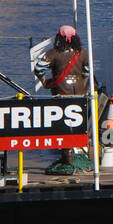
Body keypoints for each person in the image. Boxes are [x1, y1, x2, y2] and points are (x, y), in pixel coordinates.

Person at [43, 25, 90, 168]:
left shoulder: (53, 53)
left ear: (59, 38)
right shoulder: (82, 53)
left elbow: (38, 68)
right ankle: (76, 153)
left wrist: (44, 81)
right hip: (79, 93)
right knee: (78, 124)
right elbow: (87, 73)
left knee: (62, 125)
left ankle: (66, 157)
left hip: (61, 92)